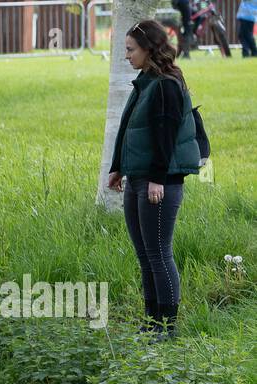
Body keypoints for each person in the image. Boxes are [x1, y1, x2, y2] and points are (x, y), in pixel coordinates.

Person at [107, 20, 202, 340]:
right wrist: (118, 167)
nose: (127, 56)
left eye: (131, 49)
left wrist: (157, 180)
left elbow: (165, 136)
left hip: (159, 182)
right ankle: (150, 323)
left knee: (159, 253)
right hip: (138, 178)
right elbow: (132, 129)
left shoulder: (166, 85)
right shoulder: (146, 80)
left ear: (149, 48)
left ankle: (167, 328)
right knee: (145, 254)